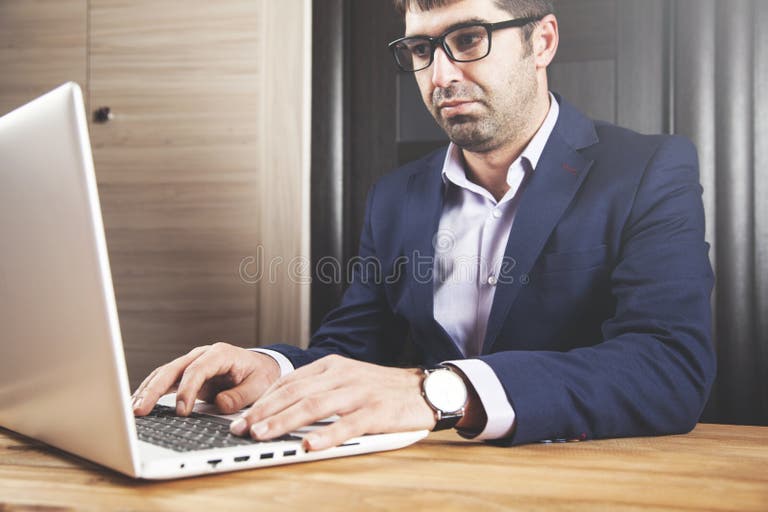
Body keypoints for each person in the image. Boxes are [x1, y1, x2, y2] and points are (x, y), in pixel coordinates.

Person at [132, 0, 716, 451]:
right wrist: (274, 369)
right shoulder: (394, 197)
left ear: (542, 41)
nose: (440, 77)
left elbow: (668, 368)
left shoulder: (647, 170)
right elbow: (352, 350)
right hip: (431, 482)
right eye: (421, 49)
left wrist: (439, 391)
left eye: (467, 40)